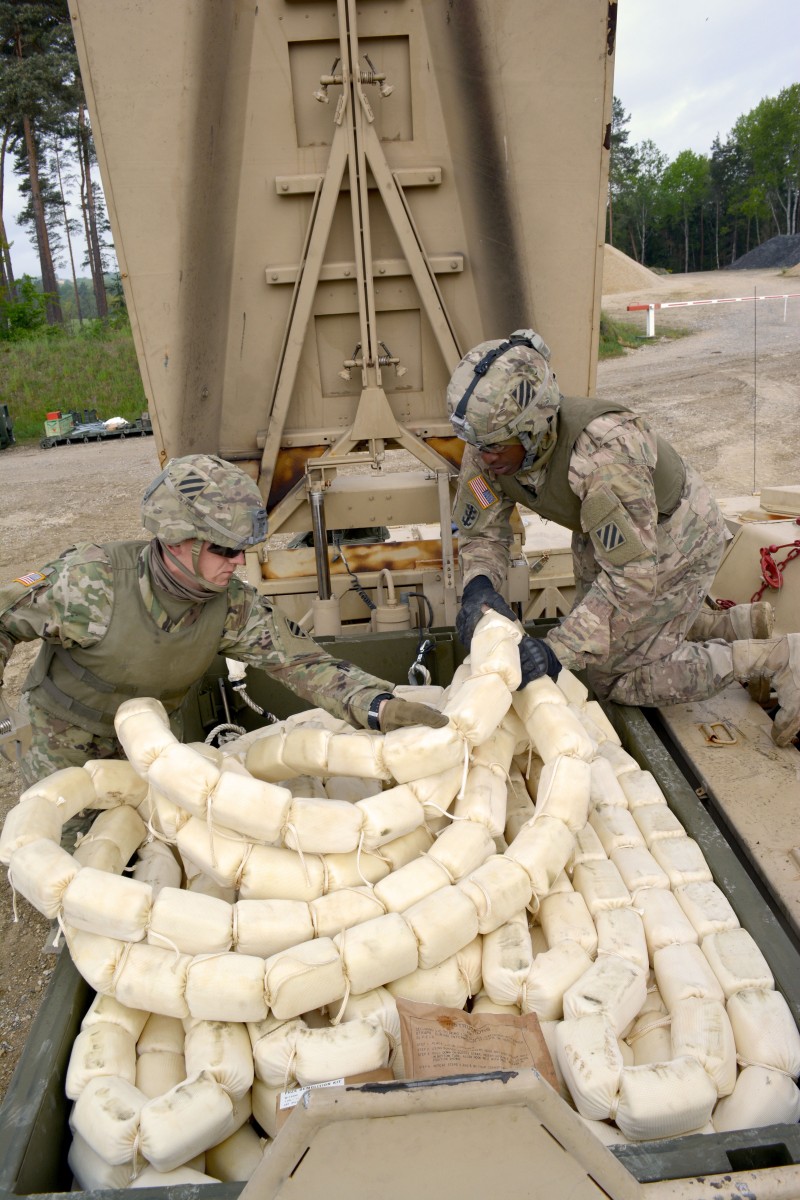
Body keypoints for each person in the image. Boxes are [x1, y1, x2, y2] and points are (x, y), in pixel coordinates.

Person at [0, 454, 446, 786]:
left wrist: (379, 706)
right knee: (66, 852)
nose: (238, 562)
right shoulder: (88, 582)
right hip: (62, 744)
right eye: (225, 549)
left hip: (154, 745)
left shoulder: (232, 605)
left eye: (243, 549)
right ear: (177, 539)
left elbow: (305, 665)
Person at [447, 329, 800, 747]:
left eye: (494, 447)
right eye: (477, 444)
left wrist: (556, 650)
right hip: (605, 538)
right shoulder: (489, 442)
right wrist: (479, 585)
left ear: (532, 430)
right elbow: (481, 530)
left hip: (675, 539)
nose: (483, 457)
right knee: (602, 638)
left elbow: (631, 577)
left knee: (614, 677)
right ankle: (731, 624)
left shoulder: (604, 457)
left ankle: (777, 658)